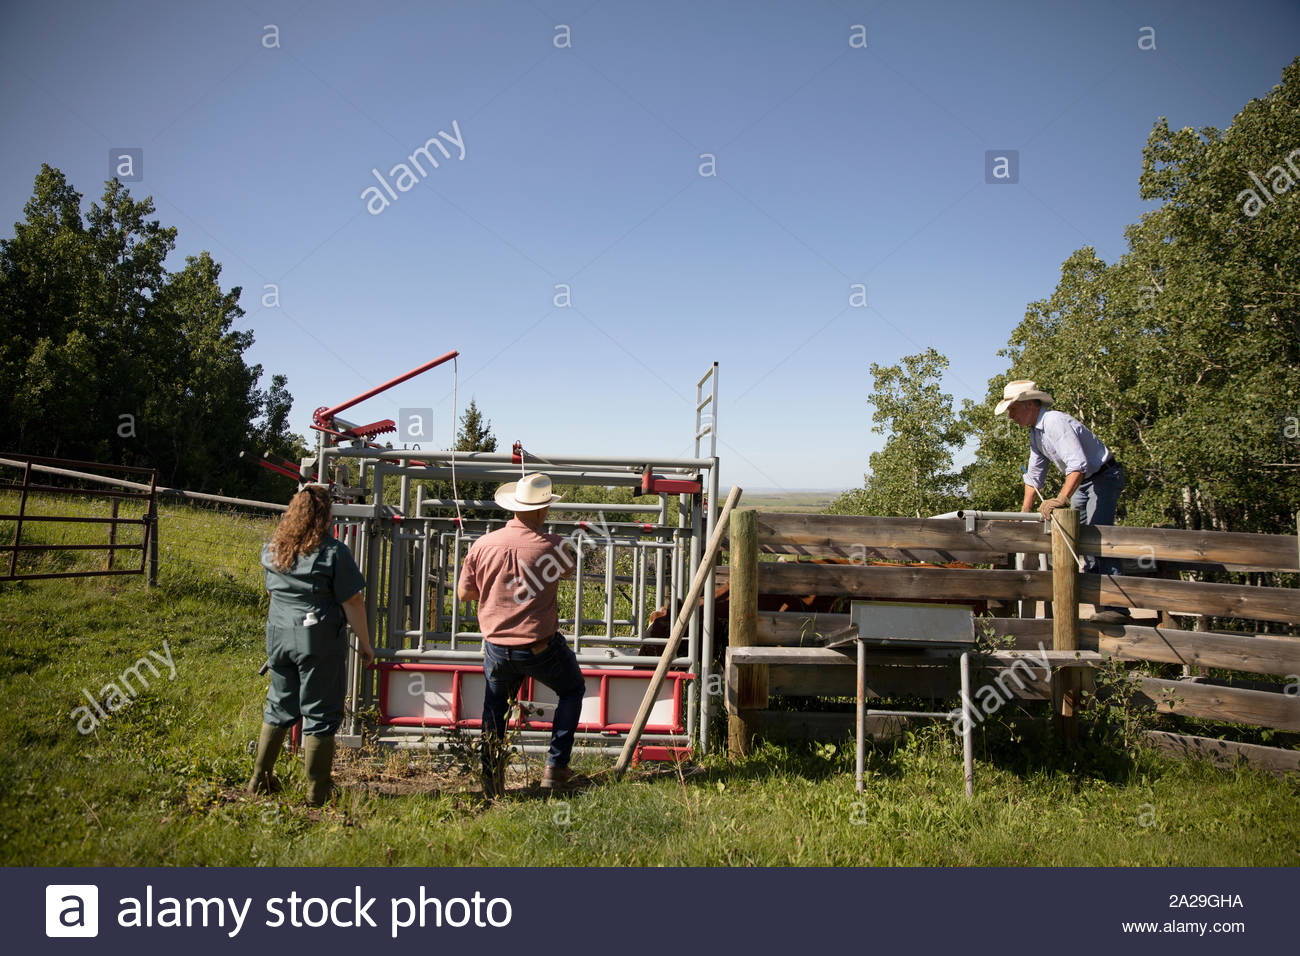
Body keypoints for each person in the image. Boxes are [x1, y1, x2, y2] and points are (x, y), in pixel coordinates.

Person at [457, 473, 585, 798]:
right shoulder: (555, 547)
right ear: (543, 510)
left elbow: (463, 594)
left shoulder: (482, 545)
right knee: (571, 689)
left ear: (513, 506)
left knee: (494, 709)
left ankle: (491, 781)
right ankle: (555, 768)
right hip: (540, 648)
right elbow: (567, 569)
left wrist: (493, 589)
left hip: (497, 647)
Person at [247, 483, 375, 805]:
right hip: (316, 640)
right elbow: (354, 602)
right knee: (319, 711)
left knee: (278, 703)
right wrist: (366, 643)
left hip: (278, 635)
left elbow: (272, 594)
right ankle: (317, 791)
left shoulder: (273, 550)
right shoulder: (333, 553)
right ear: (324, 516)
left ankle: (258, 779)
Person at [997, 380, 1131, 624]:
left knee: (1096, 535)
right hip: (1085, 481)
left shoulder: (1054, 422)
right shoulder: (1036, 433)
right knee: (1077, 538)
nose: (1011, 416)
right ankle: (1100, 606)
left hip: (1103, 477)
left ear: (1028, 405)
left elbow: (1077, 464)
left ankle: (1118, 608)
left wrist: (1061, 499)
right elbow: (1034, 476)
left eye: (1012, 409)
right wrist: (1024, 512)